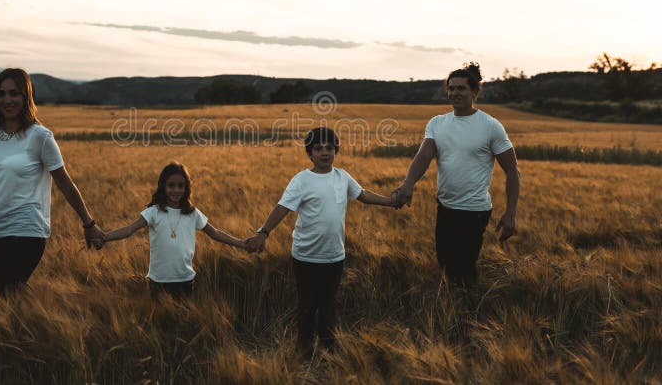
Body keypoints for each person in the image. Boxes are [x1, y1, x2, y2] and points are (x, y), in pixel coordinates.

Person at [246, 127, 399, 356]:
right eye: (318, 149)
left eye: (329, 148)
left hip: (334, 256)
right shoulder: (302, 180)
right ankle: (304, 350)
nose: (324, 153)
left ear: (336, 150)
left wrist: (389, 201)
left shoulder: (342, 177)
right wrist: (263, 232)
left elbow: (363, 195)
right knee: (307, 306)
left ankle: (329, 350)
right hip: (305, 256)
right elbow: (282, 208)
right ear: (310, 153)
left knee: (328, 306)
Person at [0, 68, 105, 295]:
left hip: (27, 231)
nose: (8, 100)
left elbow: (64, 183)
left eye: (14, 93)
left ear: (26, 97)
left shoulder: (40, 136)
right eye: (2, 94)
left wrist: (89, 224)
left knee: (1, 292)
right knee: (4, 296)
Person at [392, 62, 520, 286]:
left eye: (461, 88)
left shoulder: (491, 126)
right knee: (445, 264)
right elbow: (423, 157)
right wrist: (407, 184)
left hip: (474, 210)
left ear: (474, 91)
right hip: (446, 206)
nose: (454, 93)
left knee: (463, 269)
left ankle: (467, 313)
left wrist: (510, 213)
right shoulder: (438, 123)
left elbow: (512, 170)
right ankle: (455, 310)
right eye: (451, 88)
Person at [93, 161, 250, 299]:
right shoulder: (153, 212)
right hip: (158, 281)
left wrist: (241, 243)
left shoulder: (193, 213)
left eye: (181, 186)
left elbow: (215, 233)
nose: (176, 190)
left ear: (187, 187)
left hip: (186, 280)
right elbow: (129, 230)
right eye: (171, 185)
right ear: (163, 186)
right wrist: (105, 237)